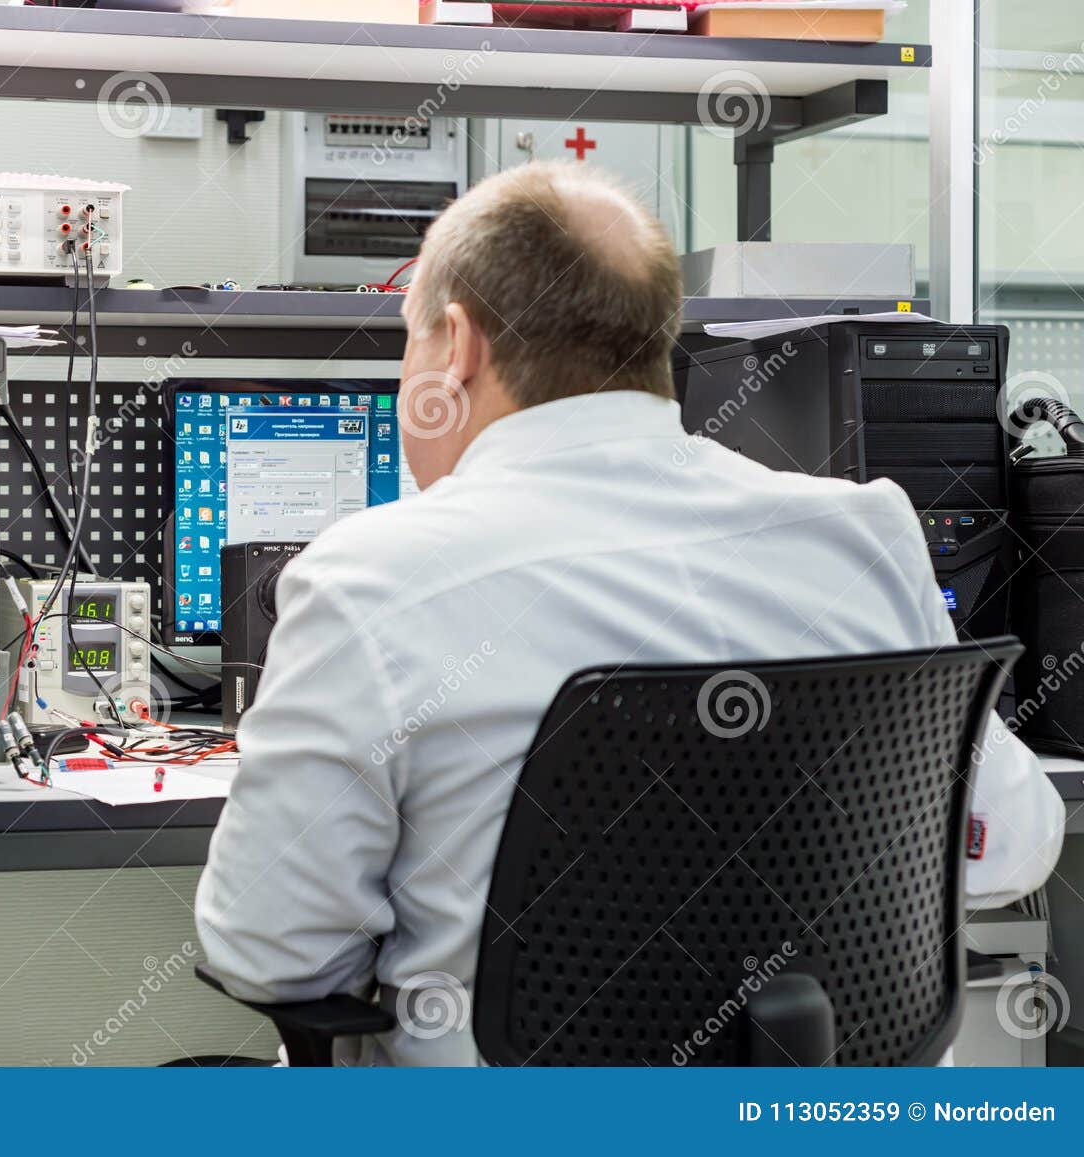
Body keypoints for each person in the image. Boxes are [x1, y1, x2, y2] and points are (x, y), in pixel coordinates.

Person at [194, 160, 1066, 1066]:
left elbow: (269, 952)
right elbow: (1012, 843)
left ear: (454, 346)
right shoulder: (865, 533)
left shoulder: (369, 578)